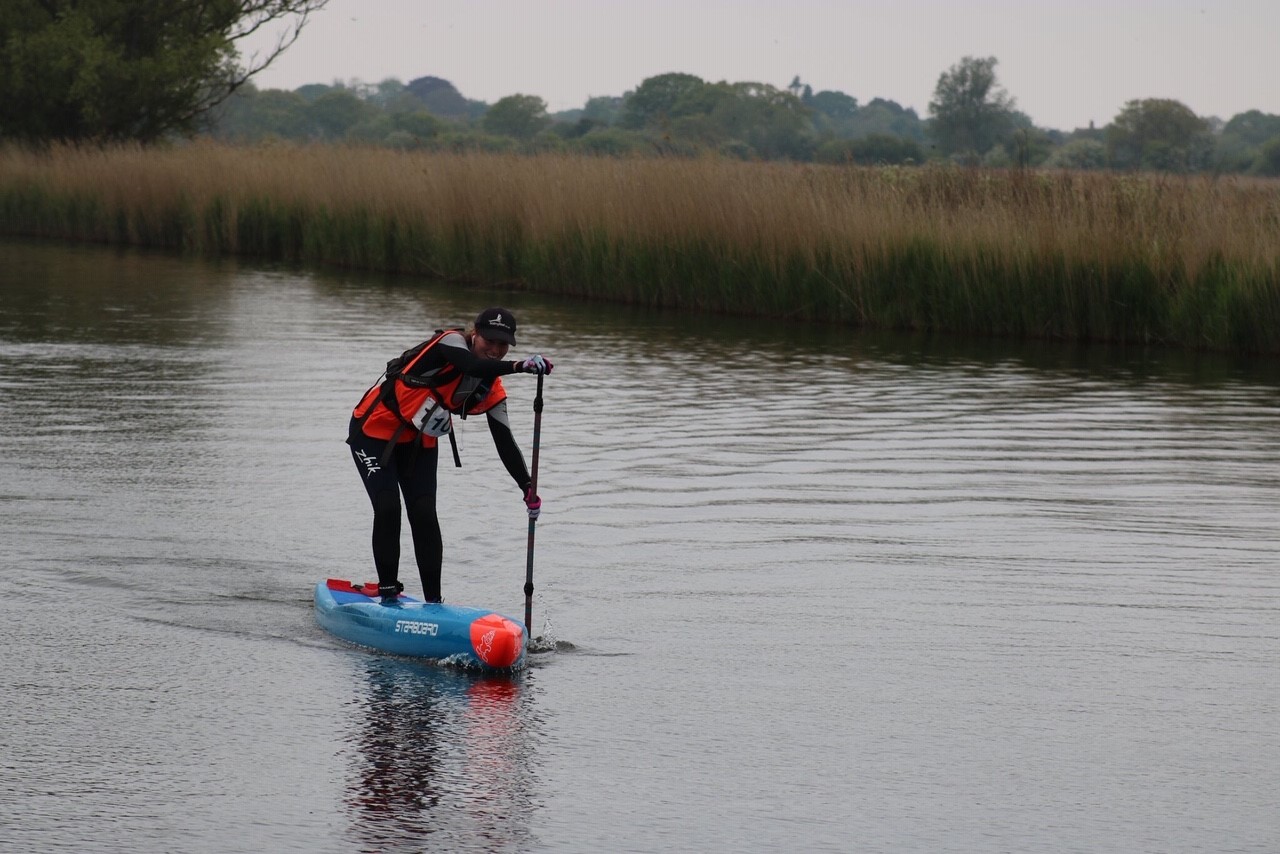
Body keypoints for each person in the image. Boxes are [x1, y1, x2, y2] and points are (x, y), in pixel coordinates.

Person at [348, 307, 552, 604]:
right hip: (373, 431)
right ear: (475, 334)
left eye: (502, 345)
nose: (495, 350)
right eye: (489, 341)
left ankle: (434, 604)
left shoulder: (491, 389)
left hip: (420, 442)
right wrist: (519, 366)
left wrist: (527, 487)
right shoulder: (451, 343)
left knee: (424, 514)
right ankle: (388, 593)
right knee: (389, 506)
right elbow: (470, 366)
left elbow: (505, 442)